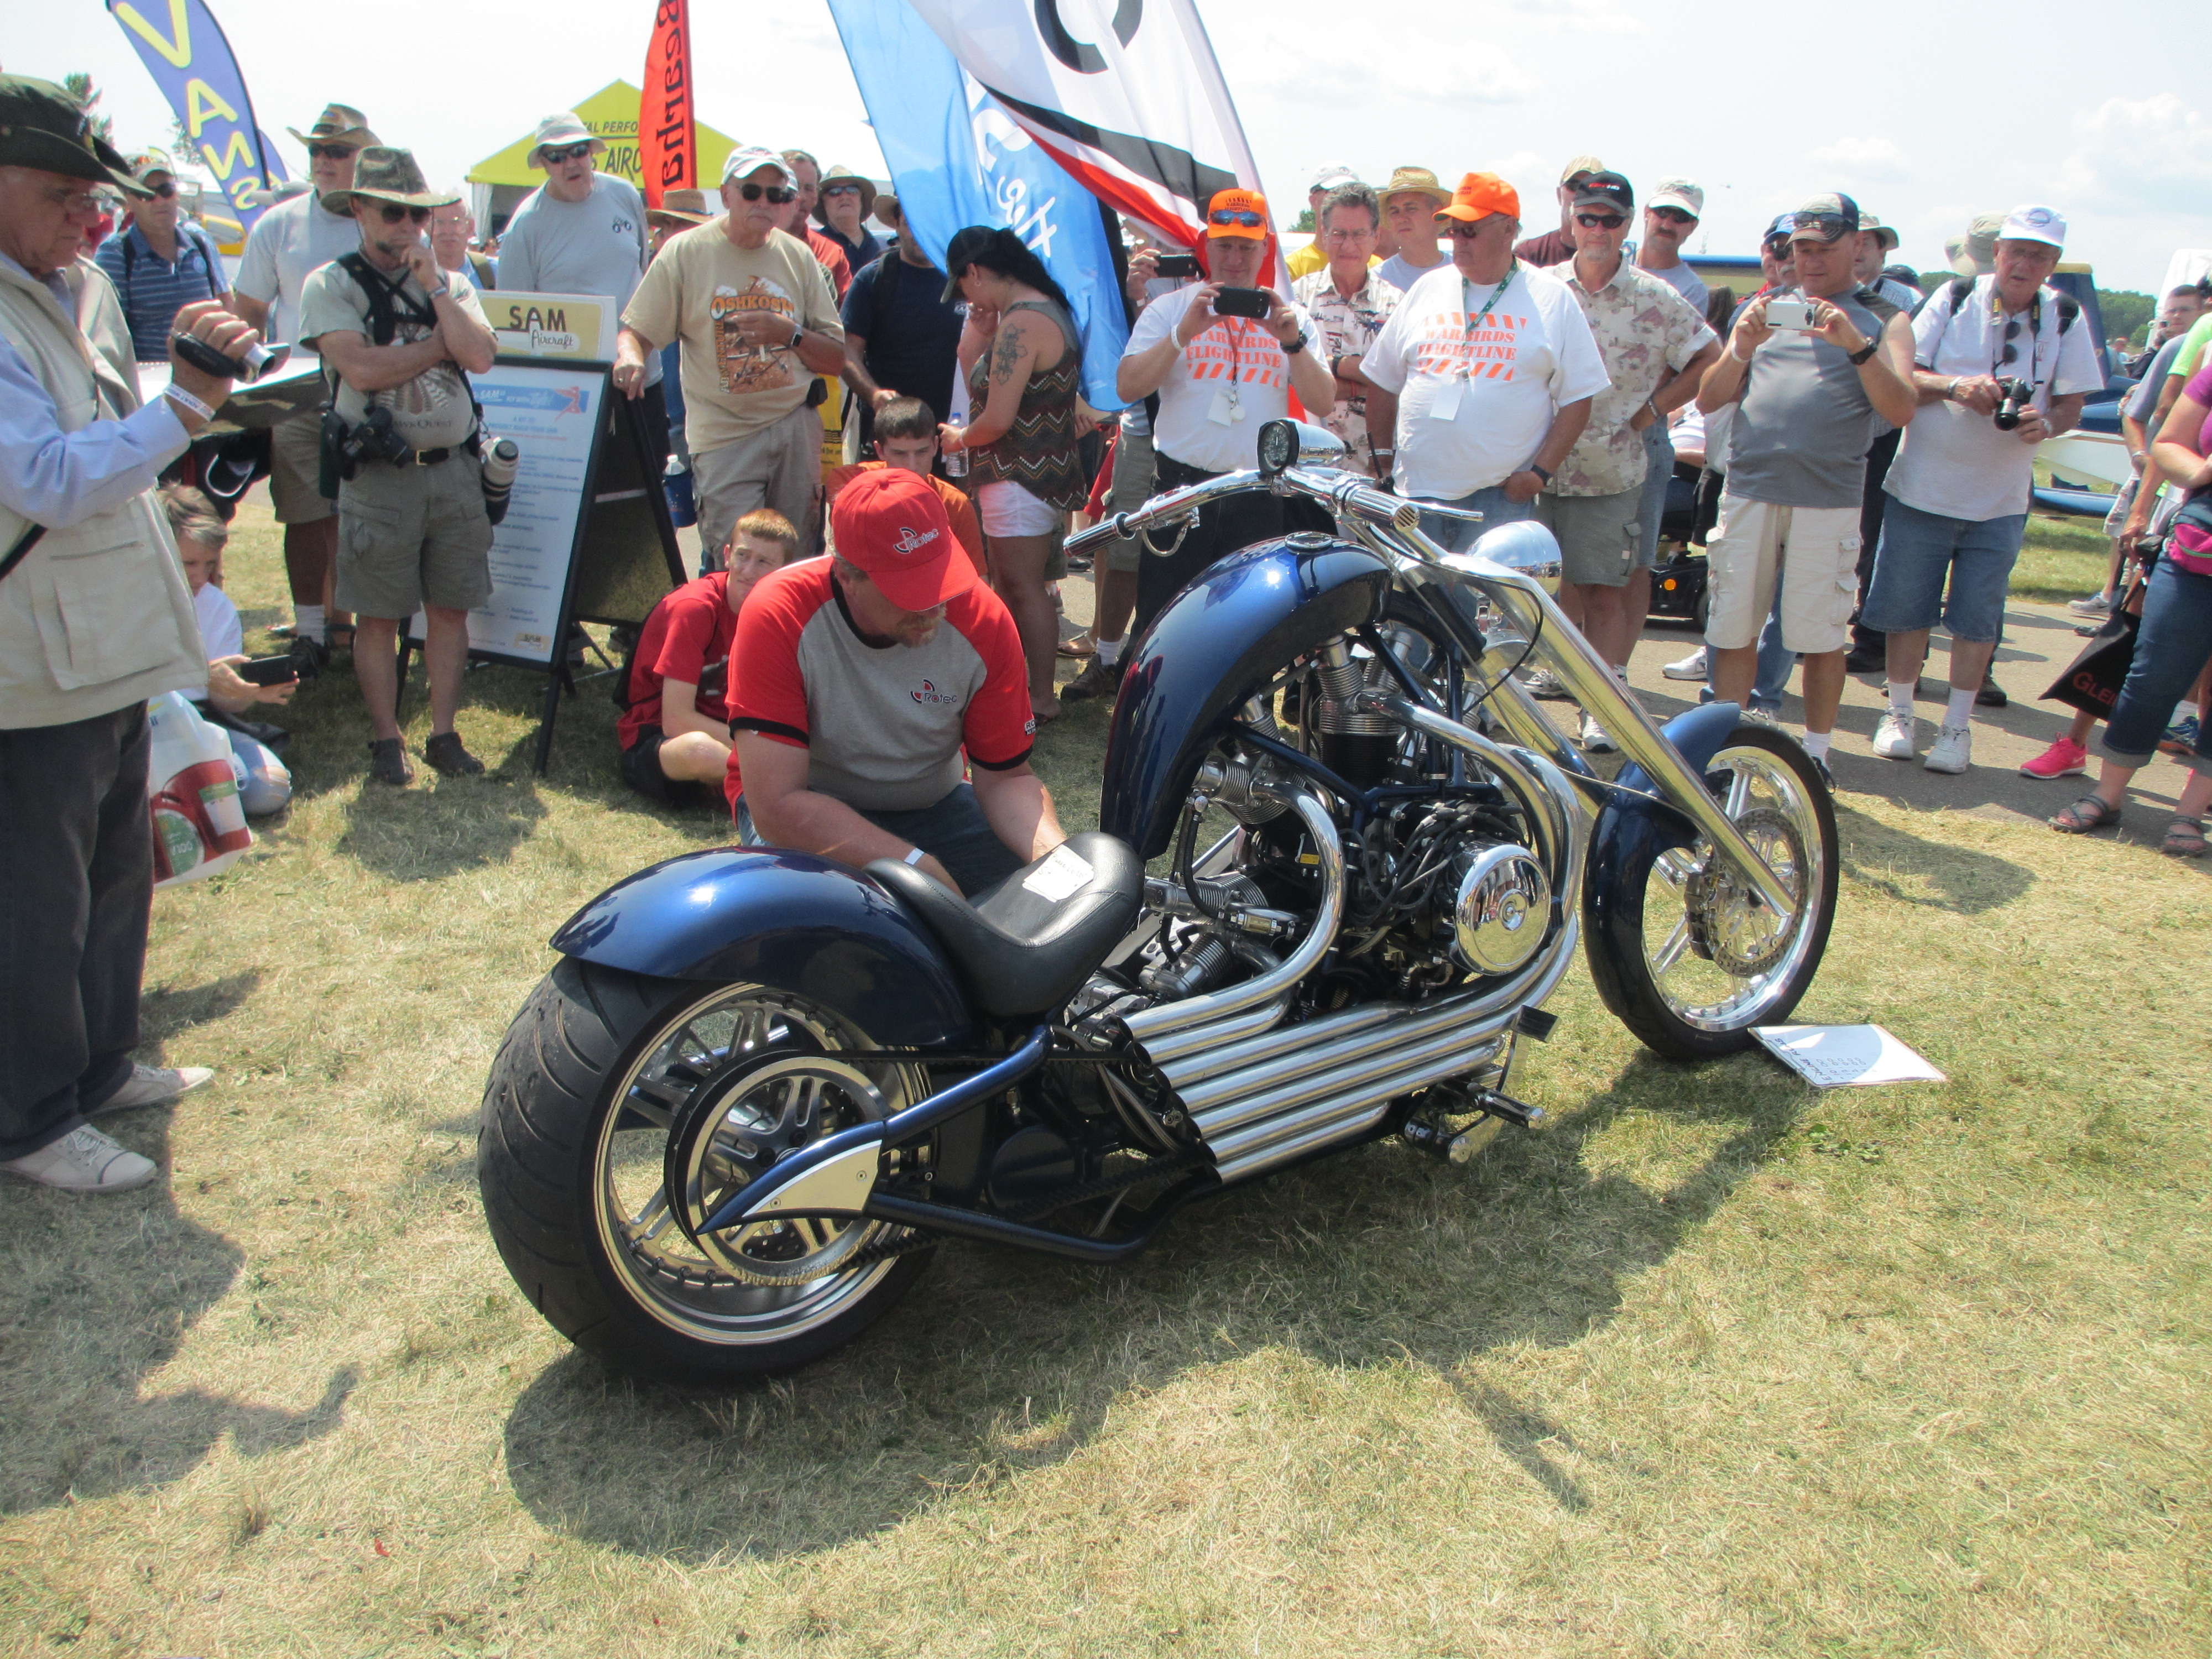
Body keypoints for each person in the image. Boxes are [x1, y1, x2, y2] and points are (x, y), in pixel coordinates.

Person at [0, 75, 259, 1192]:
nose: (90, 218)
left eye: (95, 197)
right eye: (63, 193)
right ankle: (31, 1114)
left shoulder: (80, 290)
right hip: (30, 658)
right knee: (34, 897)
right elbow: (48, 479)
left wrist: (186, 387)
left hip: (106, 637)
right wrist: (188, 404)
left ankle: (101, 1064)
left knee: (117, 868)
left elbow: (116, 434)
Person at [726, 468, 1061, 896]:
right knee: (842, 924)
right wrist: (917, 869)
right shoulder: (778, 614)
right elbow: (777, 805)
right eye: (908, 589)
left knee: (1042, 900)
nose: (932, 604)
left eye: (940, 576)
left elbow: (1007, 778)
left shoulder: (984, 619)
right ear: (846, 576)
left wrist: (1057, 862)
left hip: (932, 805)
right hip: (810, 802)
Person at [1864, 205, 2102, 775]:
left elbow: (2072, 403)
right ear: (1996, 254)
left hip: (2000, 500)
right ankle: (1899, 713)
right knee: (1906, 611)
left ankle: (1957, 727)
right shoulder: (1952, 299)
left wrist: (2046, 423)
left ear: (2052, 265)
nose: (2024, 263)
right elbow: (1902, 378)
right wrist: (1954, 386)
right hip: (1922, 488)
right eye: (2016, 251)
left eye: (2039, 255)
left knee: (1977, 619)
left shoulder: (2064, 316)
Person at [296, 147, 499, 785]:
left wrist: (437, 289)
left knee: (449, 609)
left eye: (417, 211)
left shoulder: (454, 283)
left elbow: (483, 357)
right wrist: (444, 346)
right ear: (358, 209)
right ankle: (388, 739)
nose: (407, 224)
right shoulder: (332, 284)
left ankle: (443, 734)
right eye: (392, 211)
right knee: (378, 615)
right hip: (380, 475)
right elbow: (360, 368)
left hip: (453, 472)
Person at [1694, 193, 1917, 771]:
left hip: (1828, 498)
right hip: (1750, 488)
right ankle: (1728, 744)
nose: (1810, 260)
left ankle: (1816, 753)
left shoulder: (1882, 318)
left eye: (1824, 248)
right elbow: (1709, 397)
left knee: (1819, 635)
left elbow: (1901, 409)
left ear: (1855, 246)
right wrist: (1740, 347)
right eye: (1799, 249)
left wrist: (1857, 346)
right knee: (1733, 624)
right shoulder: (1766, 306)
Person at [1537, 171, 1718, 750]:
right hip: (1534, 463)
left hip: (1610, 466)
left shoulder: (1655, 297)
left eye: (1609, 219)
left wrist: (1656, 409)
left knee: (1604, 590)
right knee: (1541, 587)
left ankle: (1605, 706)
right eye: (1586, 217)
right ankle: (1543, 690)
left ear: (1627, 224)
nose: (1596, 229)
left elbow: (1709, 356)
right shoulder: (1539, 288)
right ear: (1570, 220)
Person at [1115, 187, 1336, 628]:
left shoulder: (1289, 316)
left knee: (1245, 627)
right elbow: (1128, 386)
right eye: (1224, 246)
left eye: (1246, 248)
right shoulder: (1171, 309)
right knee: (1164, 623)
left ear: (1265, 250)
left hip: (1256, 493)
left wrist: (1291, 343)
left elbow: (1322, 401)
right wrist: (1183, 335)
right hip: (1181, 490)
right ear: (1207, 245)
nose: (1234, 259)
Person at [616, 145, 847, 562]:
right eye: (752, 191)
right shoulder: (686, 252)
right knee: (738, 565)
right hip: (725, 437)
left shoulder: (798, 257)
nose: (765, 203)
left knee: (795, 566)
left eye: (776, 195)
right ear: (726, 195)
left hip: (795, 425)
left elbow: (835, 358)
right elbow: (635, 332)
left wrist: (788, 333)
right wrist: (631, 357)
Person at [1358, 171, 1605, 551]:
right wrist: (1384, 463)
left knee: (1486, 612)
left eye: (1469, 231)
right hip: (1415, 497)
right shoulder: (1428, 288)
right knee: (1416, 609)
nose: (1457, 240)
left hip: (1499, 500)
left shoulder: (1551, 298)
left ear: (1509, 230)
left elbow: (1580, 395)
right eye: (1454, 230)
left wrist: (1538, 474)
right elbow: (1382, 377)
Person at [233, 103, 379, 666]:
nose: (324, 160)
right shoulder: (279, 222)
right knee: (302, 513)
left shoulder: (379, 219)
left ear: (362, 157)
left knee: (360, 514)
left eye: (338, 151)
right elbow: (248, 309)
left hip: (367, 391)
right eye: (317, 150)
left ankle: (355, 629)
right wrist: (257, 380)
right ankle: (311, 631)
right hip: (296, 392)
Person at [2048, 361, 2212, 856]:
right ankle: (2108, 794)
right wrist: (2205, 471)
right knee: (2152, 674)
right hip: (2196, 551)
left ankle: (2190, 813)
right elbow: (2168, 442)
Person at [938, 225, 1092, 724]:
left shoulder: (1024, 324)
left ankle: (1041, 696)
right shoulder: (1036, 312)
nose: (965, 296)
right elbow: (982, 382)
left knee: (1024, 588)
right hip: (1032, 475)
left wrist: (960, 438)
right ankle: (1025, 689)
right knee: (1016, 584)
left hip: (1019, 476)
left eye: (962, 284)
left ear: (976, 273)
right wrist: (979, 334)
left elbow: (997, 418)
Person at [496, 113, 666, 470]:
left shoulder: (623, 194)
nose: (570, 163)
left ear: (592, 152)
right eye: (556, 156)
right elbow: (512, 326)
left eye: (577, 150)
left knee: (653, 495)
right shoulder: (525, 226)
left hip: (642, 377)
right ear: (543, 164)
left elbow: (642, 271)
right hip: (573, 396)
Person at [618, 508, 797, 806]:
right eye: (743, 555)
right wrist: (757, 752)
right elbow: (675, 720)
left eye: (763, 562)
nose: (749, 570)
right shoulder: (696, 608)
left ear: (783, 571)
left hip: (727, 733)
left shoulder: (779, 613)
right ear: (726, 555)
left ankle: (752, 783)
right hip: (661, 737)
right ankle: (770, 790)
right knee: (700, 751)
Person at [163, 484, 295, 815]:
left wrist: (247, 693)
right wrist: (200, 673)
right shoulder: (127, 601)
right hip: (141, 724)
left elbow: (225, 705)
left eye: (209, 564)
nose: (200, 576)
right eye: (188, 563)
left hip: (200, 720)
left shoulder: (216, 606)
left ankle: (184, 796)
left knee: (267, 789)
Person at [1292, 182, 1401, 478]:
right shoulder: (1296, 300)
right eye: (1339, 234)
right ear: (1324, 237)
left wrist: (1332, 371)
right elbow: (1288, 381)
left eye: (1359, 234)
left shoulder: (1398, 306)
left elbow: (1397, 383)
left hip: (1372, 472)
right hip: (1302, 469)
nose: (1348, 245)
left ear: (1376, 237)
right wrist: (1363, 385)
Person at [839, 193, 964, 445]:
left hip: (952, 432)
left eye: (928, 223)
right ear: (896, 225)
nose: (919, 232)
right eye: (910, 223)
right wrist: (874, 396)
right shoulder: (873, 279)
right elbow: (846, 352)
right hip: (889, 435)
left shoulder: (967, 278)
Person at [824, 395, 985, 578]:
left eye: (921, 452)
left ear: (935, 446)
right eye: (900, 454)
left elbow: (977, 582)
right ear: (880, 451)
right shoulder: (848, 481)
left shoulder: (955, 504)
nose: (912, 465)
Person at [92, 148, 228, 364]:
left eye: (166, 190)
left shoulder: (200, 241)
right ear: (130, 200)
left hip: (209, 376)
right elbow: (110, 334)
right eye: (146, 194)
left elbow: (226, 304)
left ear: (176, 195)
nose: (159, 201)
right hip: (152, 382)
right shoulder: (115, 253)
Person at [776, 150, 853, 299]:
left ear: (816, 197)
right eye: (794, 186)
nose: (801, 197)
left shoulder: (832, 254)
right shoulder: (750, 241)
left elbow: (843, 318)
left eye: (809, 189)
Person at [1513, 155, 1604, 268]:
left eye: (1592, 187)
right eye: (1574, 186)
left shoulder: (1615, 261)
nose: (1581, 194)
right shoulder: (1529, 254)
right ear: (1559, 195)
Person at [1634, 178, 1708, 312]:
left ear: (1692, 226)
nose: (1667, 225)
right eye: (1663, 212)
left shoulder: (1692, 291)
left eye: (1680, 217)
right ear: (1647, 213)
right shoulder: (1615, 263)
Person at [1375, 166, 1451, 294]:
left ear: (1436, 213)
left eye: (1411, 209)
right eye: (1394, 212)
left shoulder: (1465, 274)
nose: (1401, 219)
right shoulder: (1378, 280)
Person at [1286, 164, 1360, 280]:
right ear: (1313, 200)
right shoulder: (1293, 266)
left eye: (1352, 194)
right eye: (1334, 193)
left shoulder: (1375, 266)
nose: (1344, 200)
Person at [813, 163, 881, 272]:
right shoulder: (816, 246)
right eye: (835, 192)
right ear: (823, 202)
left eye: (852, 191)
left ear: (861, 199)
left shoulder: (878, 246)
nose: (844, 197)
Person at [1853, 211, 1919, 313]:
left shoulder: (1908, 300)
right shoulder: (1823, 294)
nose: (1857, 250)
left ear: (1882, 251)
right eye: (1851, 243)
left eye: (1864, 243)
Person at [429, 196, 494, 291]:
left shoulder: (492, 271)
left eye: (456, 222)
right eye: (439, 223)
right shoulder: (416, 275)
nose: (447, 231)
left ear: (471, 227)